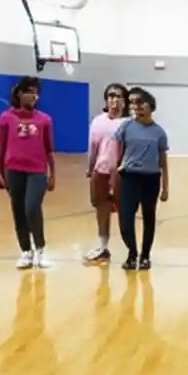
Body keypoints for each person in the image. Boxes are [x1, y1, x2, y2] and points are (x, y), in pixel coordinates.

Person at [0, 76, 56, 269]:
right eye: (30, 92)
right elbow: (1, 147)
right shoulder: (6, 118)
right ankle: (25, 251)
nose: (34, 96)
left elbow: (49, 150)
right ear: (20, 94)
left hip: (37, 171)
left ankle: (40, 248)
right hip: (13, 170)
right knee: (18, 210)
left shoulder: (44, 120)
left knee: (32, 207)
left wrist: (53, 174)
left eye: (37, 93)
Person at [111, 87, 169, 270]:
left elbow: (163, 161)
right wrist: (114, 175)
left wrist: (165, 186)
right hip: (130, 177)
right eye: (135, 104)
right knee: (125, 218)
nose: (138, 107)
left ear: (151, 107)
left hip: (151, 178)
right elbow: (117, 152)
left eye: (143, 104)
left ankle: (145, 256)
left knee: (148, 217)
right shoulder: (126, 127)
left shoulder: (159, 132)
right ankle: (132, 253)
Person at [84, 83, 128, 262]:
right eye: (111, 96)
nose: (114, 100)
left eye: (118, 96)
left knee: (125, 212)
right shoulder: (98, 121)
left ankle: (132, 250)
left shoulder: (128, 123)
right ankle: (103, 247)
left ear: (124, 101)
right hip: (100, 172)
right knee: (102, 209)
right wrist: (90, 167)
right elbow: (93, 146)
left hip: (122, 175)